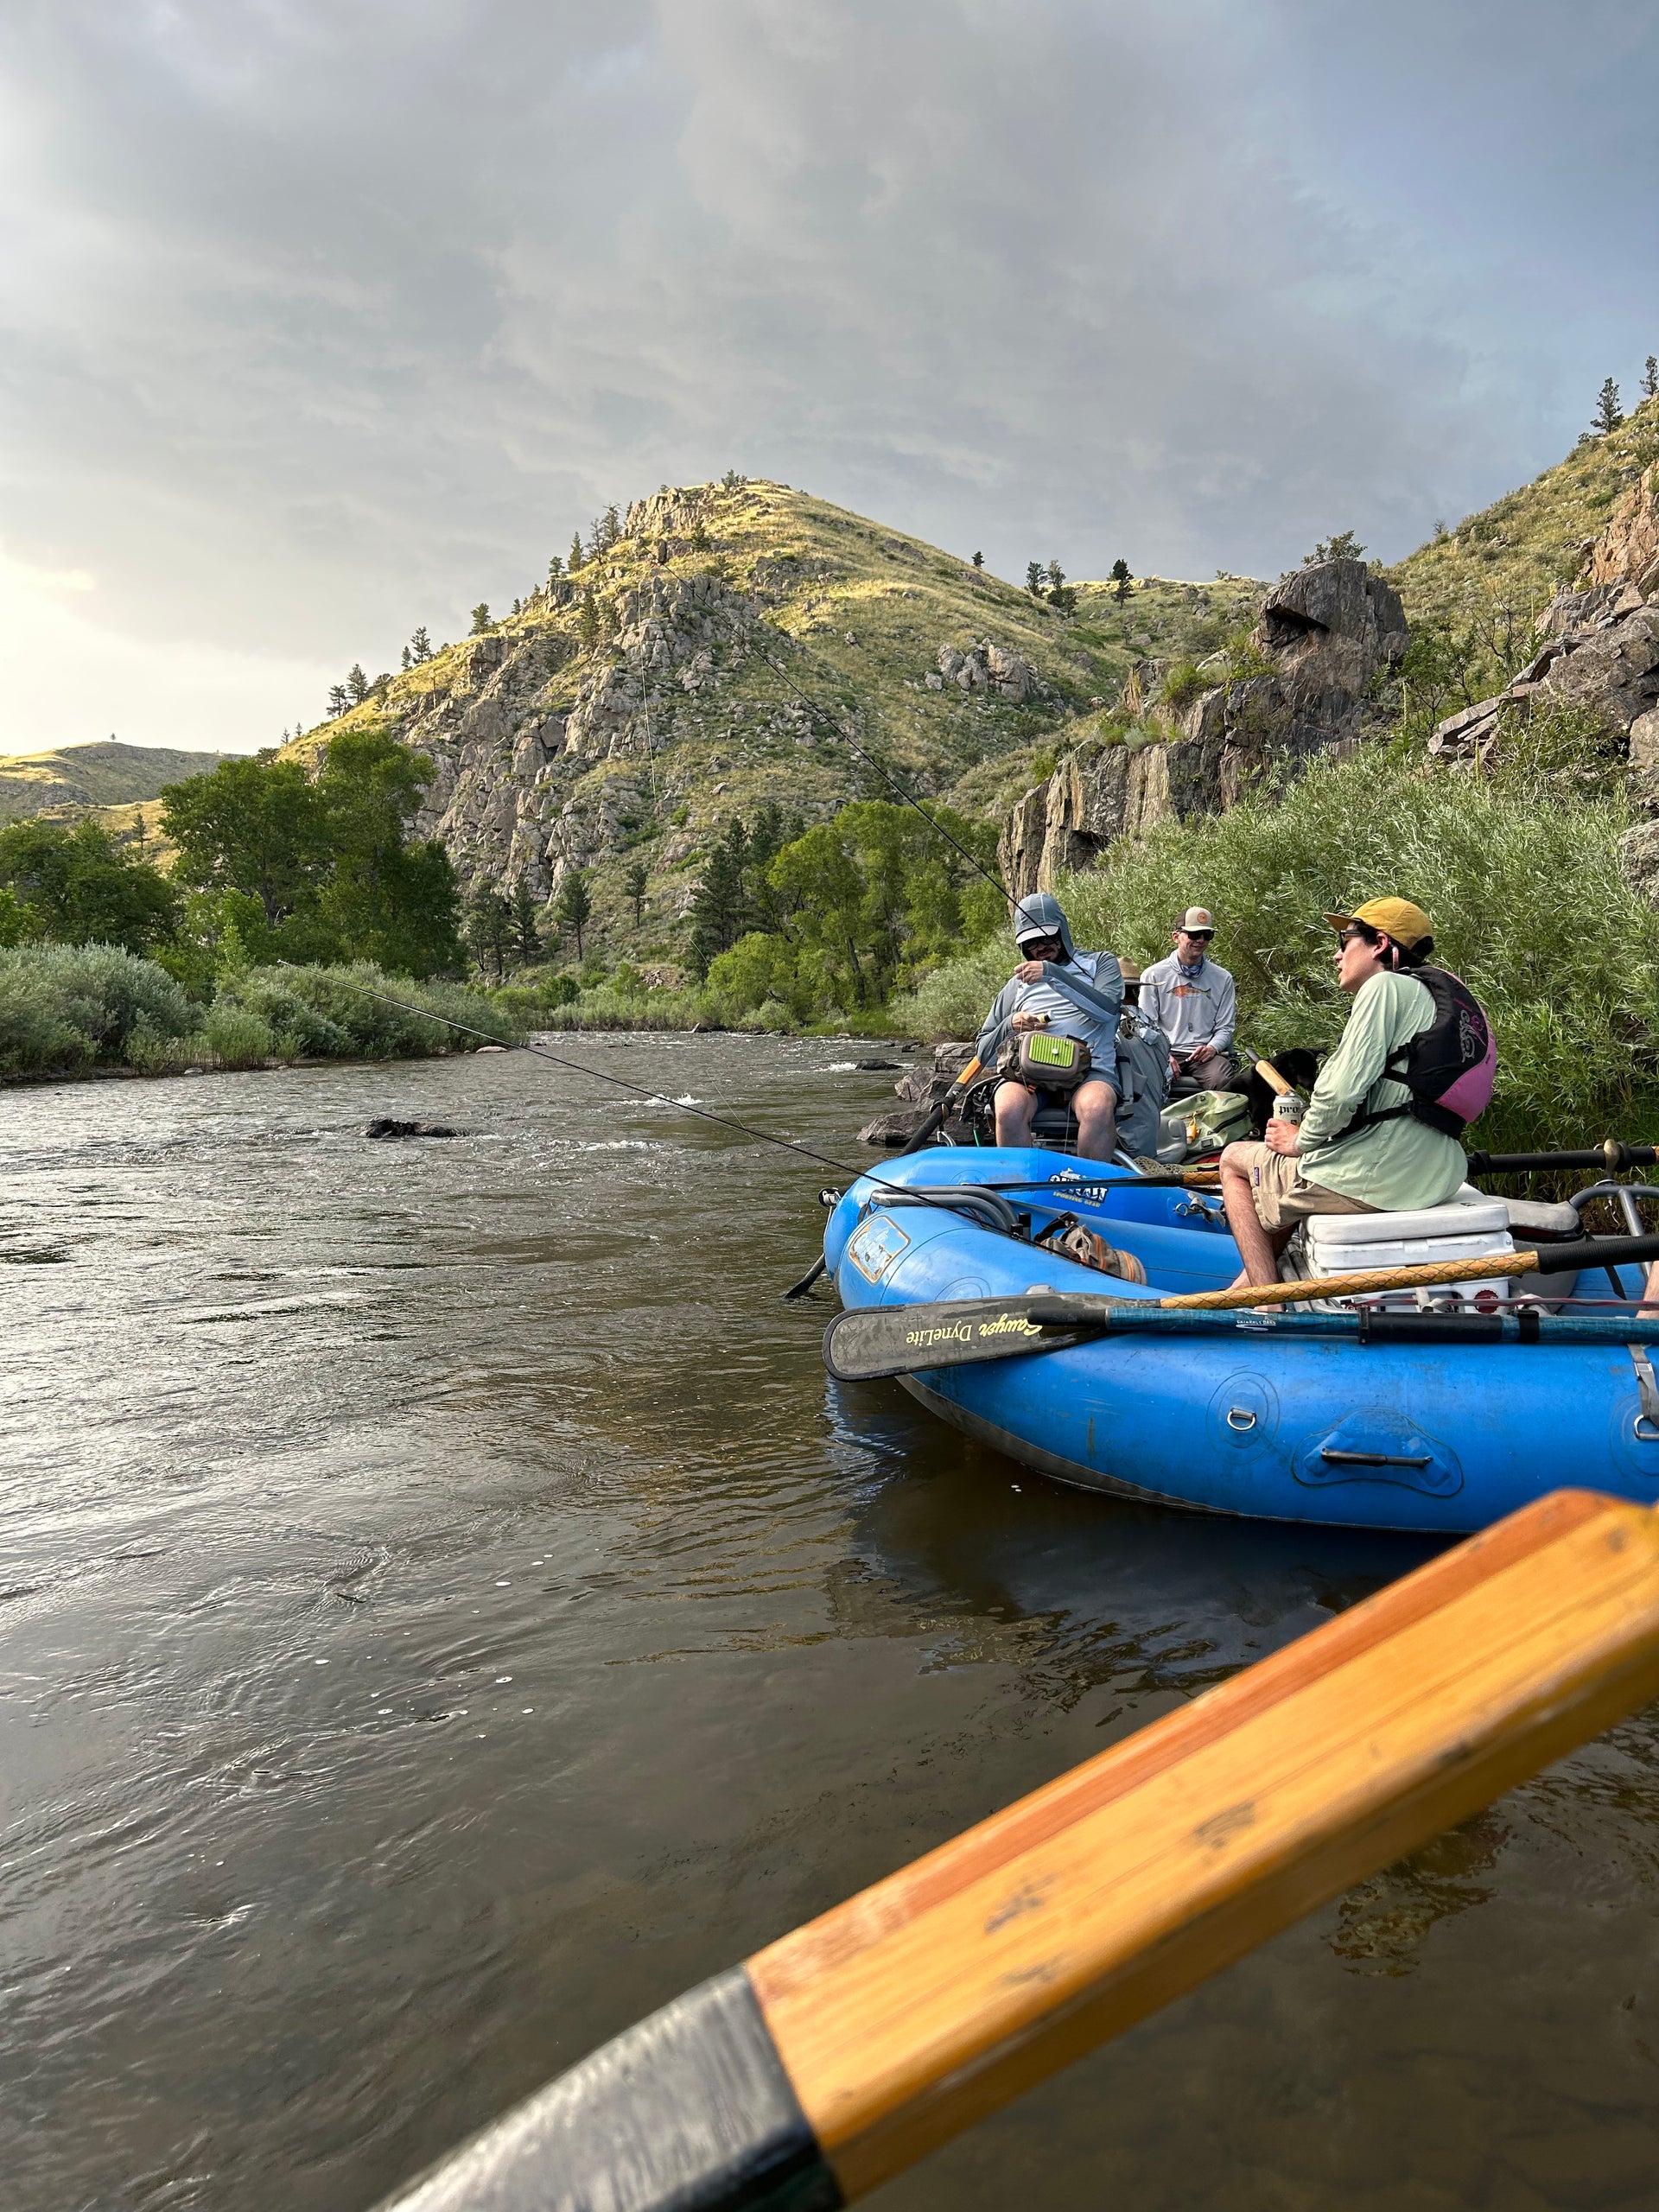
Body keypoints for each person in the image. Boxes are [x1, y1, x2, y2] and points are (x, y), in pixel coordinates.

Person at [1218, 898, 1470, 1288]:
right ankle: (1242, 1287)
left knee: (1234, 1159)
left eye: (1345, 940)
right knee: (1306, 1174)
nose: (1337, 955)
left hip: (1380, 1177)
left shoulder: (1384, 987)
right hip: (1438, 1174)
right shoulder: (1442, 998)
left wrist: (1301, 1139)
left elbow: (1337, 1096)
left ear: (1380, 944)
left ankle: (1264, 1302)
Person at [975, 893, 1122, 1160]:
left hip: (1090, 1075)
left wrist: (1051, 974)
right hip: (1030, 1078)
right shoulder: (1016, 985)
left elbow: (1106, 1010)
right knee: (1007, 1107)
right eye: (1030, 942)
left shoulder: (1101, 963)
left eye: (1046, 937)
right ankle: (1020, 1186)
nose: (1040, 946)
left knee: (1097, 1107)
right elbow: (983, 1053)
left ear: (1063, 931)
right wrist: (1010, 1024)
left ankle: (1090, 1189)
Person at [1139, 907, 1236, 1096]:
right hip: (1164, 1052)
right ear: (1176, 937)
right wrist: (1163, 1054)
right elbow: (1146, 1026)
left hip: (1204, 1057)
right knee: (1143, 1080)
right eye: (1193, 934)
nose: (1200, 940)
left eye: (1207, 935)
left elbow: (1226, 1028)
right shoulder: (1153, 975)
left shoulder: (1223, 978)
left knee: (1222, 1080)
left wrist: (1213, 1047)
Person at [1113, 960, 1173, 1160]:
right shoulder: (1160, 1034)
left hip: (1121, 1143)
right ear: (1137, 993)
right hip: (1148, 1142)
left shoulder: (1109, 1031)